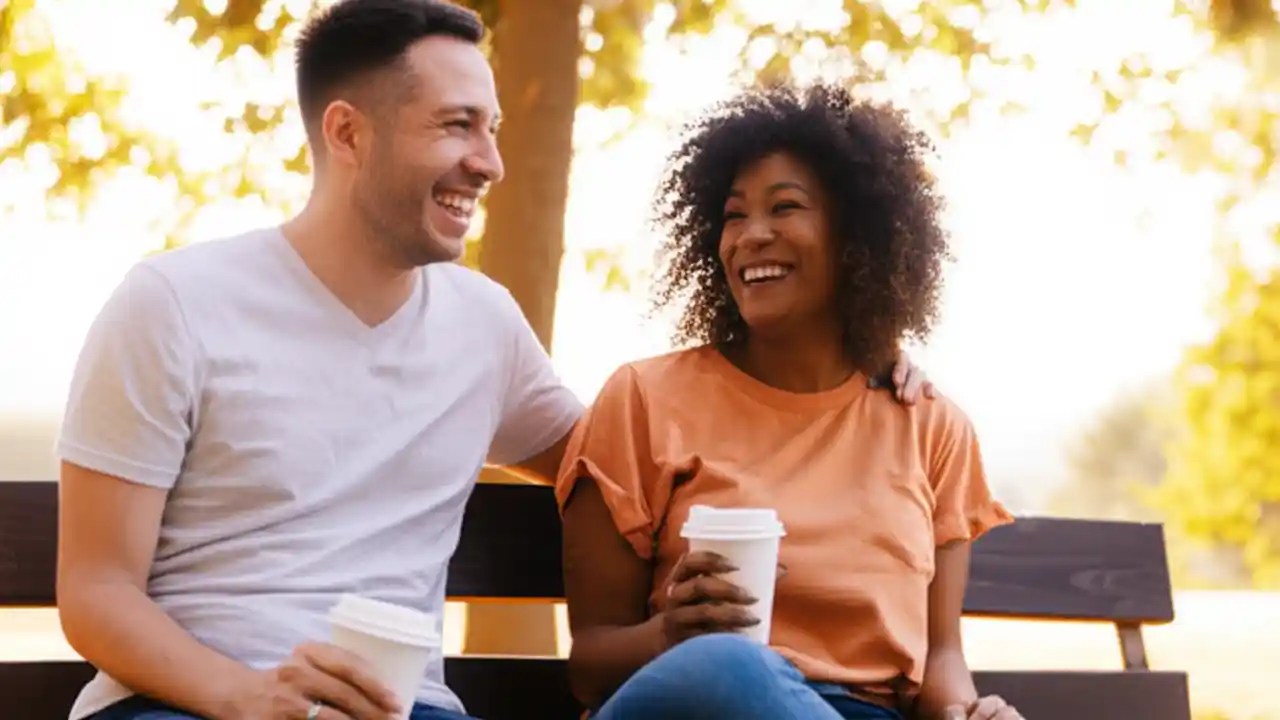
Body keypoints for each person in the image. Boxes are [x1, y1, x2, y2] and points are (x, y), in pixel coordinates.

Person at [53, 3, 934, 720]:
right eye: (457, 126)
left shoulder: (482, 325)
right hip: (186, 705)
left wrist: (855, 370)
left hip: (407, 708)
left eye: (496, 128)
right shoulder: (173, 304)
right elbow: (95, 590)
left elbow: (641, 458)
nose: (491, 162)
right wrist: (244, 697)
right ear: (348, 133)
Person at [557, 81, 1022, 720]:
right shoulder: (644, 400)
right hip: (699, 702)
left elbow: (941, 660)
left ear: (858, 239)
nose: (750, 235)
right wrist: (671, 636)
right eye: (733, 215)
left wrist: (972, 715)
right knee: (728, 667)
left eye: (784, 208)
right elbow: (589, 667)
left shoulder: (931, 427)